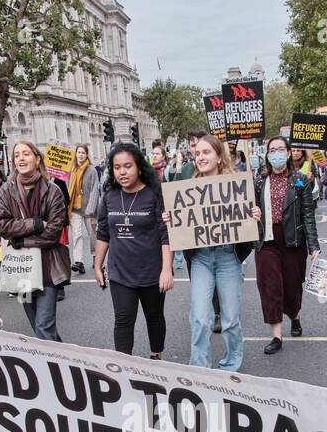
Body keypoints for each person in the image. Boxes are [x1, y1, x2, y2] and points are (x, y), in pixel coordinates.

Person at [164, 133, 261, 372]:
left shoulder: (237, 184)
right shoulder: (187, 188)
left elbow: (252, 229)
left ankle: (230, 365)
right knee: (199, 317)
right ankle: (199, 366)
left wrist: (255, 218)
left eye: (206, 152)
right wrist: (171, 219)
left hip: (228, 257)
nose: (200, 157)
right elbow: (181, 225)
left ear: (219, 156)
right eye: (197, 153)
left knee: (230, 320)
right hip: (201, 259)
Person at [93, 142, 173, 358]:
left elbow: (166, 234)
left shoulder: (154, 194)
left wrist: (167, 270)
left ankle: (156, 357)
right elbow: (103, 233)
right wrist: (97, 265)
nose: (122, 172)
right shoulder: (108, 197)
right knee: (123, 319)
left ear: (139, 166)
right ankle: (124, 367)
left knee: (154, 316)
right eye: (117, 167)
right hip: (120, 272)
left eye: (127, 166)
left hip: (151, 271)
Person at [0, 140, 71, 341]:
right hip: (22, 270)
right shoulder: (5, 191)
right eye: (17, 155)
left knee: (44, 327)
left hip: (48, 269)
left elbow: (53, 232)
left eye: (26, 153)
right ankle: (65, 360)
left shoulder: (53, 190)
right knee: (38, 324)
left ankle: (52, 370)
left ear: (37, 159)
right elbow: (3, 226)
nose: (21, 158)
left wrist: (21, 241)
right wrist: (36, 224)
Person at [254, 136, 321, 356]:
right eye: (272, 150)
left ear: (289, 151)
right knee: (270, 286)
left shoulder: (300, 180)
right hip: (267, 240)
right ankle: (276, 336)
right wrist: (252, 213)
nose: (276, 153)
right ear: (267, 155)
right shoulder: (259, 180)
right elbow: (249, 208)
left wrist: (314, 245)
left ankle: (295, 315)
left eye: (280, 149)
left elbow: (308, 214)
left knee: (292, 286)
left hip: (293, 240)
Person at [67, 144, 99, 276]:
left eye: (83, 153)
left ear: (87, 155)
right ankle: (79, 262)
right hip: (75, 208)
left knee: (92, 235)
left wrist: (90, 209)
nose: (80, 155)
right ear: (75, 154)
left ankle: (96, 256)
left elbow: (94, 190)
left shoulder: (92, 170)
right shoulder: (72, 169)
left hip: (88, 209)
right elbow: (68, 186)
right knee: (77, 235)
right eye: (78, 152)